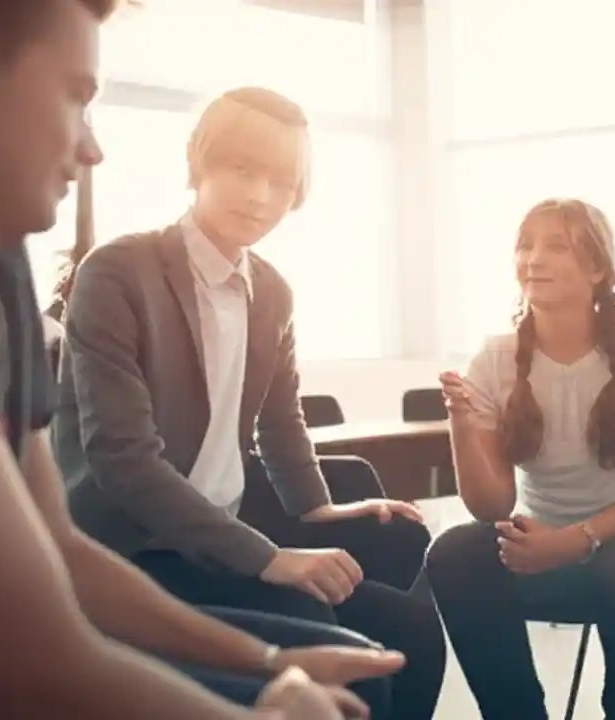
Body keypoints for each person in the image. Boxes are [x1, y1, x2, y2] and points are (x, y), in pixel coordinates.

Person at [0, 1, 369, 718]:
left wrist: (273, 662)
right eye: (76, 97)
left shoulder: (0, 270)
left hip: (35, 638)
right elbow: (33, 655)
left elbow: (60, 556)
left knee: (357, 658)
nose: (93, 149)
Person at [55, 86, 445, 719]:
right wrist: (270, 559)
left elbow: (281, 421)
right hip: (139, 550)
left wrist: (320, 512)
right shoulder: (118, 272)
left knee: (412, 626)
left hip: (228, 526)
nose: (260, 195)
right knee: (332, 638)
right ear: (199, 163)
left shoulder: (272, 291)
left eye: (280, 181)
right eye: (242, 169)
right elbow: (123, 461)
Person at [426, 198, 615, 719]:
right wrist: (460, 421)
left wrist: (572, 541)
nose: (533, 259)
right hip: (536, 546)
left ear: (597, 269)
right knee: (454, 552)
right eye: (526, 245)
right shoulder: (494, 359)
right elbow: (491, 504)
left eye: (555, 246)